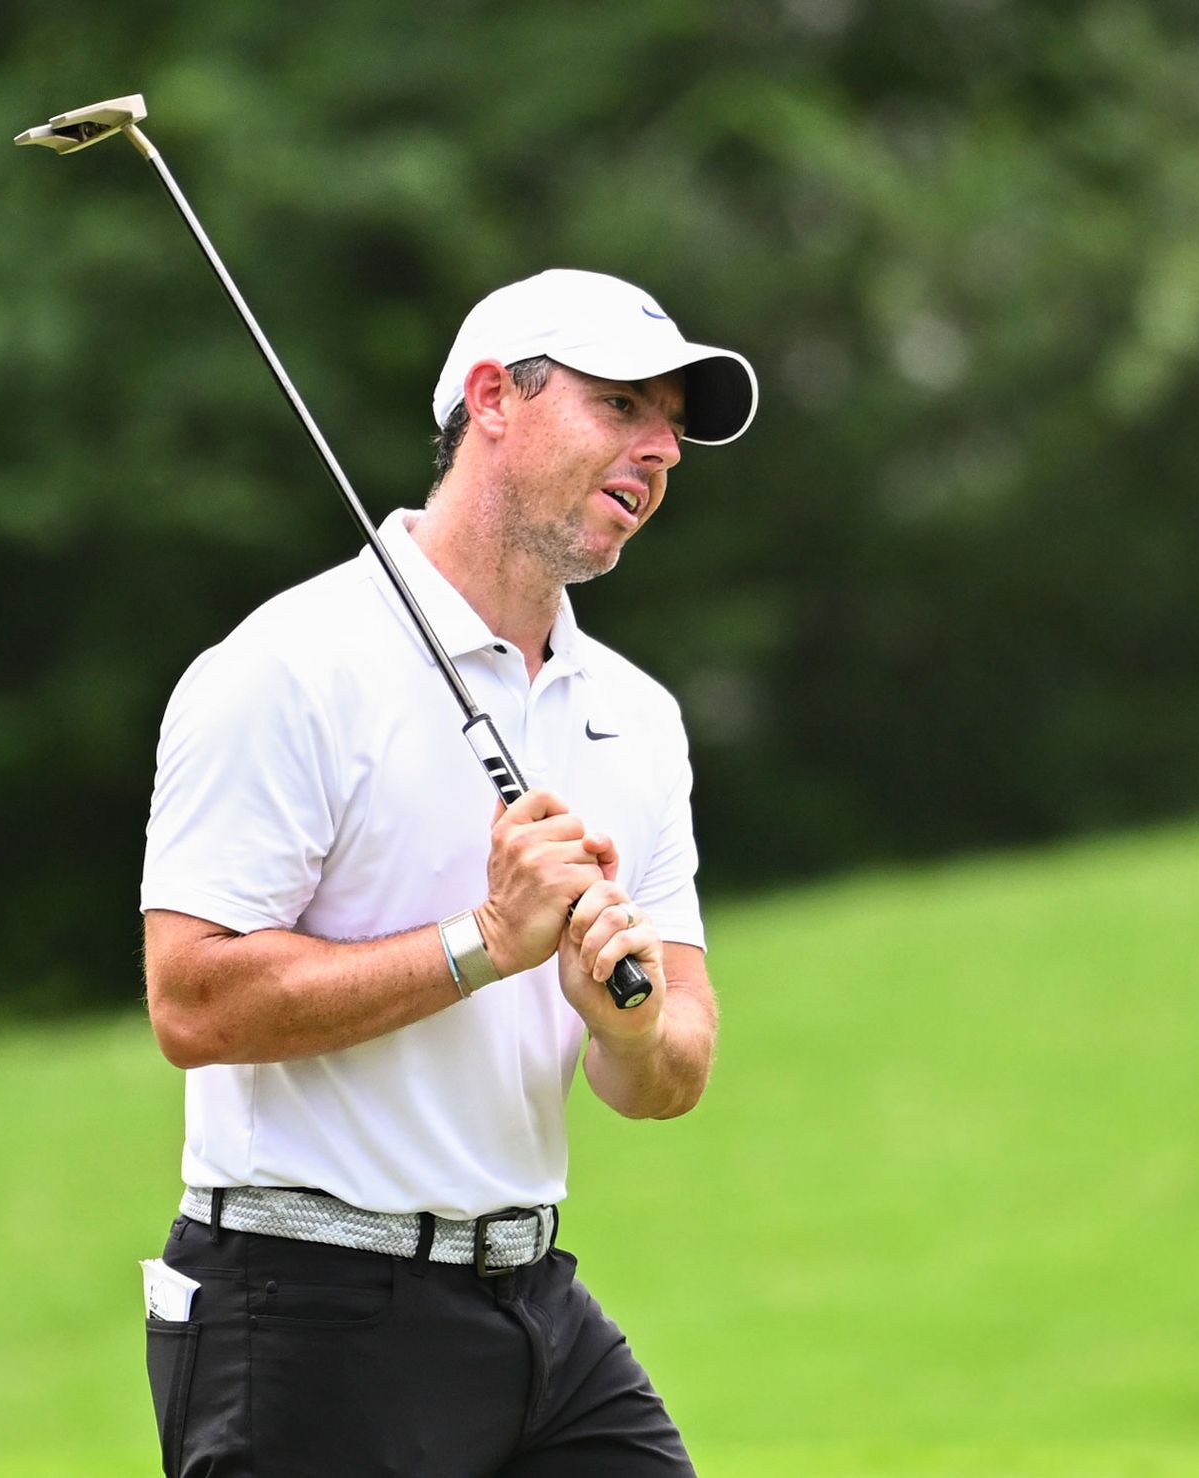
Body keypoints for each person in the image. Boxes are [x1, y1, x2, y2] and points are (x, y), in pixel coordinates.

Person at [136, 267, 757, 1476]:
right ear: (491, 399)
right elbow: (192, 1000)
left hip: (533, 1304)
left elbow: (671, 1066)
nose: (660, 448)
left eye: (673, 423)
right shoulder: (287, 667)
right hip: (304, 1310)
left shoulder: (637, 715)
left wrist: (622, 1023)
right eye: (621, 404)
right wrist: (482, 942)